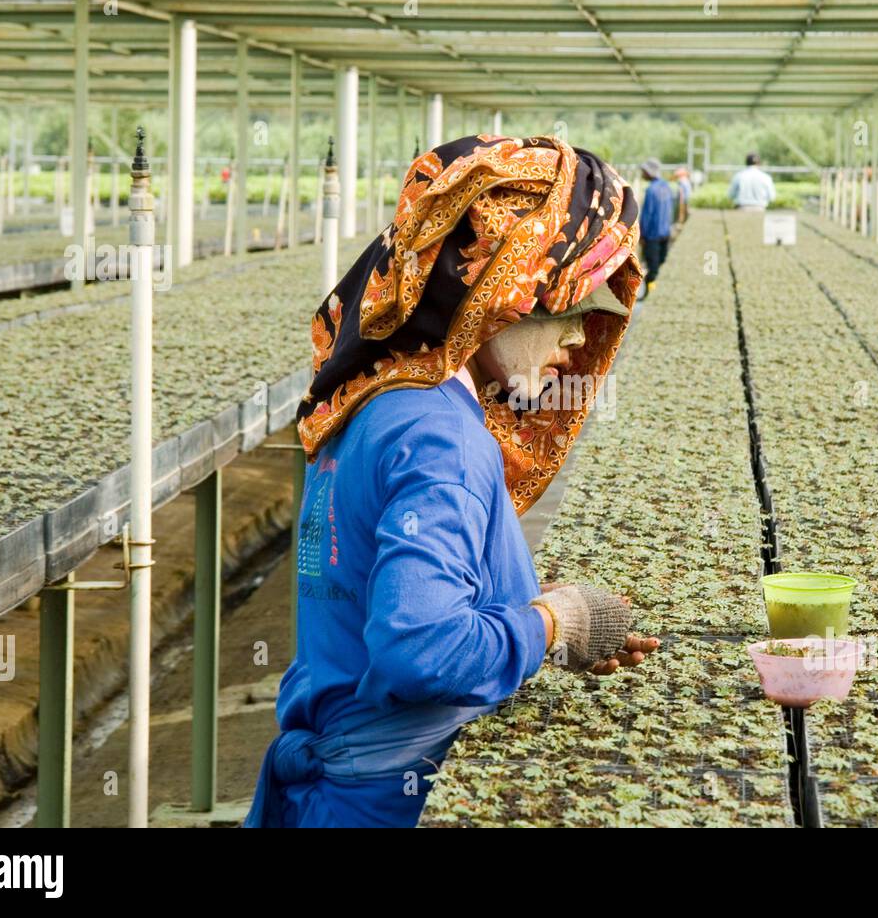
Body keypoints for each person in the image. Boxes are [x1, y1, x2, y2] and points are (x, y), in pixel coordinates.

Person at [246, 135, 659, 829]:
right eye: (565, 312)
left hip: (331, 786)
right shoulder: (442, 437)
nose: (573, 345)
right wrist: (553, 623)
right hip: (381, 803)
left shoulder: (380, 394)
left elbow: (390, 585)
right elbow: (419, 653)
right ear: (503, 289)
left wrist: (525, 604)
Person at [638, 157, 674, 300]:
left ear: (649, 172)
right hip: (665, 233)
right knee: (660, 263)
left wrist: (642, 235)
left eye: (643, 171)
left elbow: (647, 216)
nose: (642, 174)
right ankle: (653, 293)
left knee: (652, 267)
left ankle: (649, 295)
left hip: (652, 235)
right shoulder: (666, 186)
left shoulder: (651, 190)